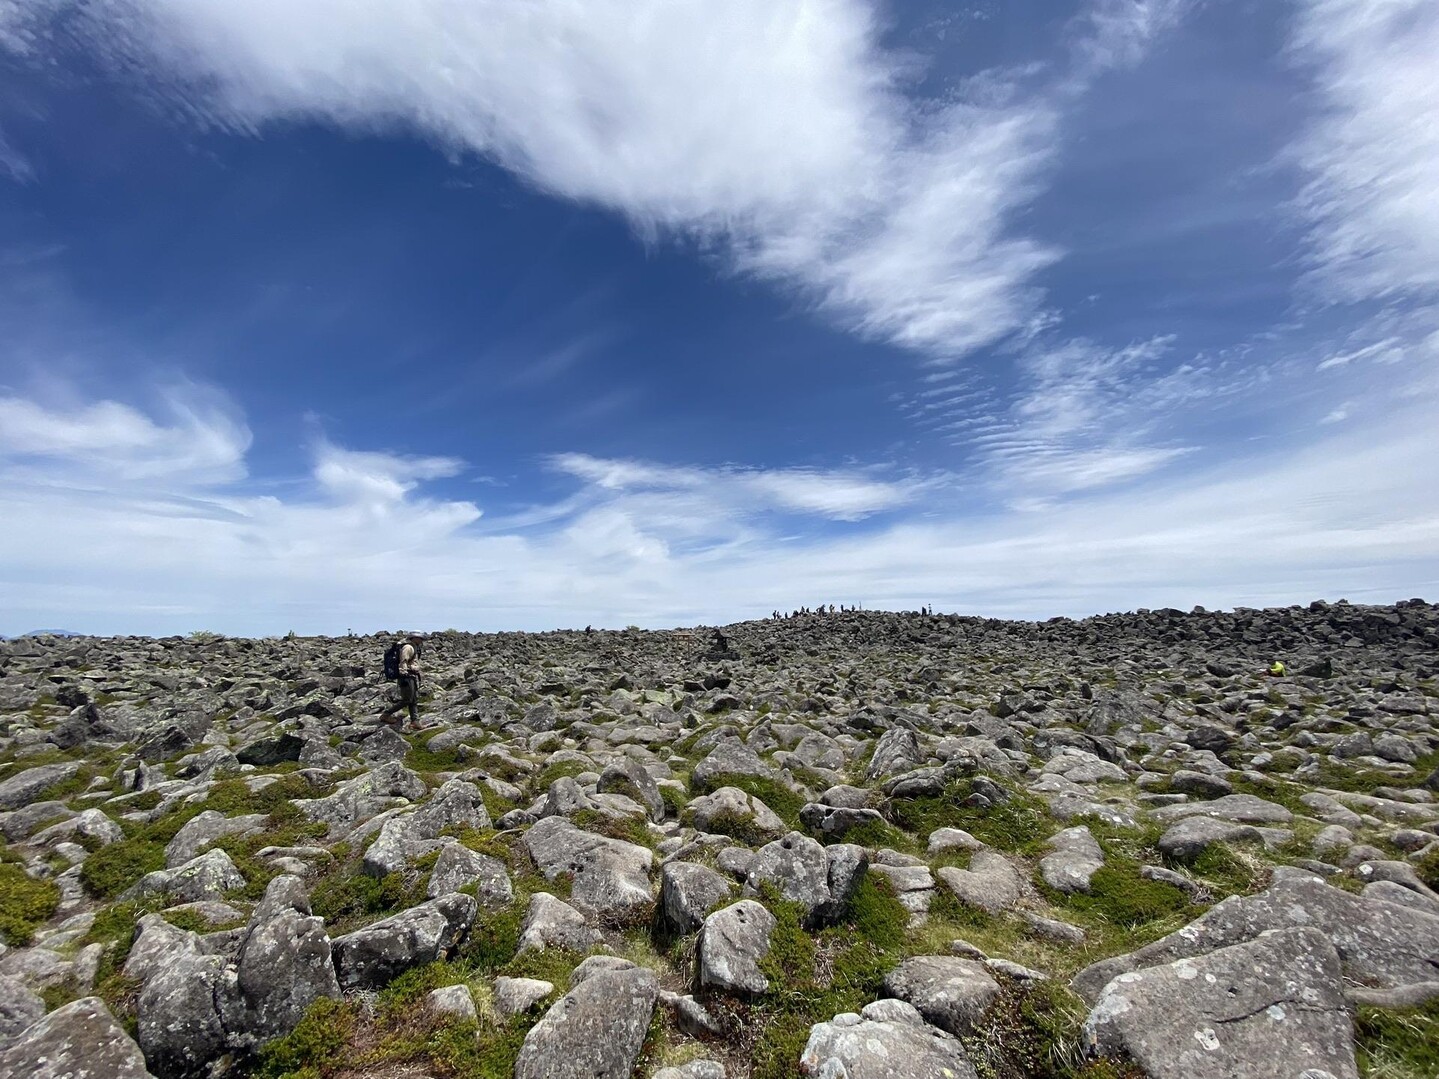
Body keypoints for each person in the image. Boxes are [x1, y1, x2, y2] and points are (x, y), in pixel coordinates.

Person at [382, 632, 426, 729]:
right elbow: (403, 660)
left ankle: (415, 721)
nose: (421, 641)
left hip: (411, 675)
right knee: (407, 700)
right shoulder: (408, 647)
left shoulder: (414, 647)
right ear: (413, 638)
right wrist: (404, 672)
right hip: (407, 676)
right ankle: (386, 714)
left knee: (413, 699)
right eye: (419, 638)